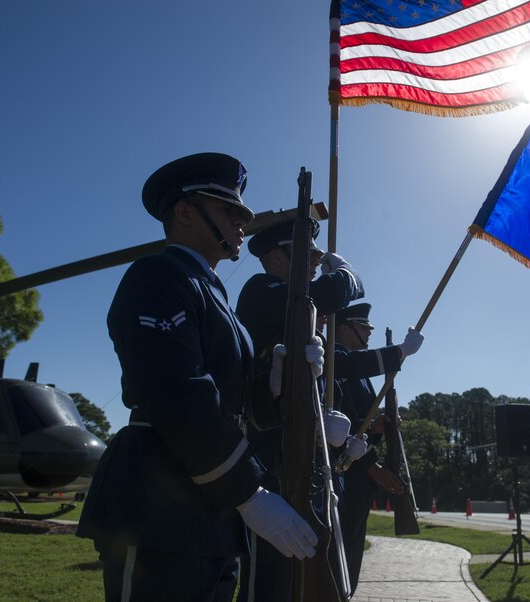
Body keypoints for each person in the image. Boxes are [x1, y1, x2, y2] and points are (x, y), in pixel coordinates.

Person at [76, 152, 318, 602]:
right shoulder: (158, 276)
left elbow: (235, 404)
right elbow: (176, 392)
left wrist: (276, 384)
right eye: (228, 210)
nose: (242, 221)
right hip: (156, 511)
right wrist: (248, 493)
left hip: (212, 515)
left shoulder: (212, 292)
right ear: (185, 212)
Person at [235, 219, 364, 601]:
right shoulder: (262, 290)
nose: (314, 262)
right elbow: (326, 294)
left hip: (305, 461)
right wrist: (347, 273)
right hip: (270, 459)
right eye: (306, 254)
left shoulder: (298, 309)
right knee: (270, 584)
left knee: (309, 580)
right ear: (277, 257)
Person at [332, 302, 424, 595]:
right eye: (363, 327)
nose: (369, 333)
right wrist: (373, 467)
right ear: (344, 329)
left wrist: (376, 428)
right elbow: (341, 426)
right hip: (343, 476)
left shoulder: (357, 371)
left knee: (350, 560)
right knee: (339, 561)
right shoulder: (338, 366)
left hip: (357, 479)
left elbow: (359, 425)